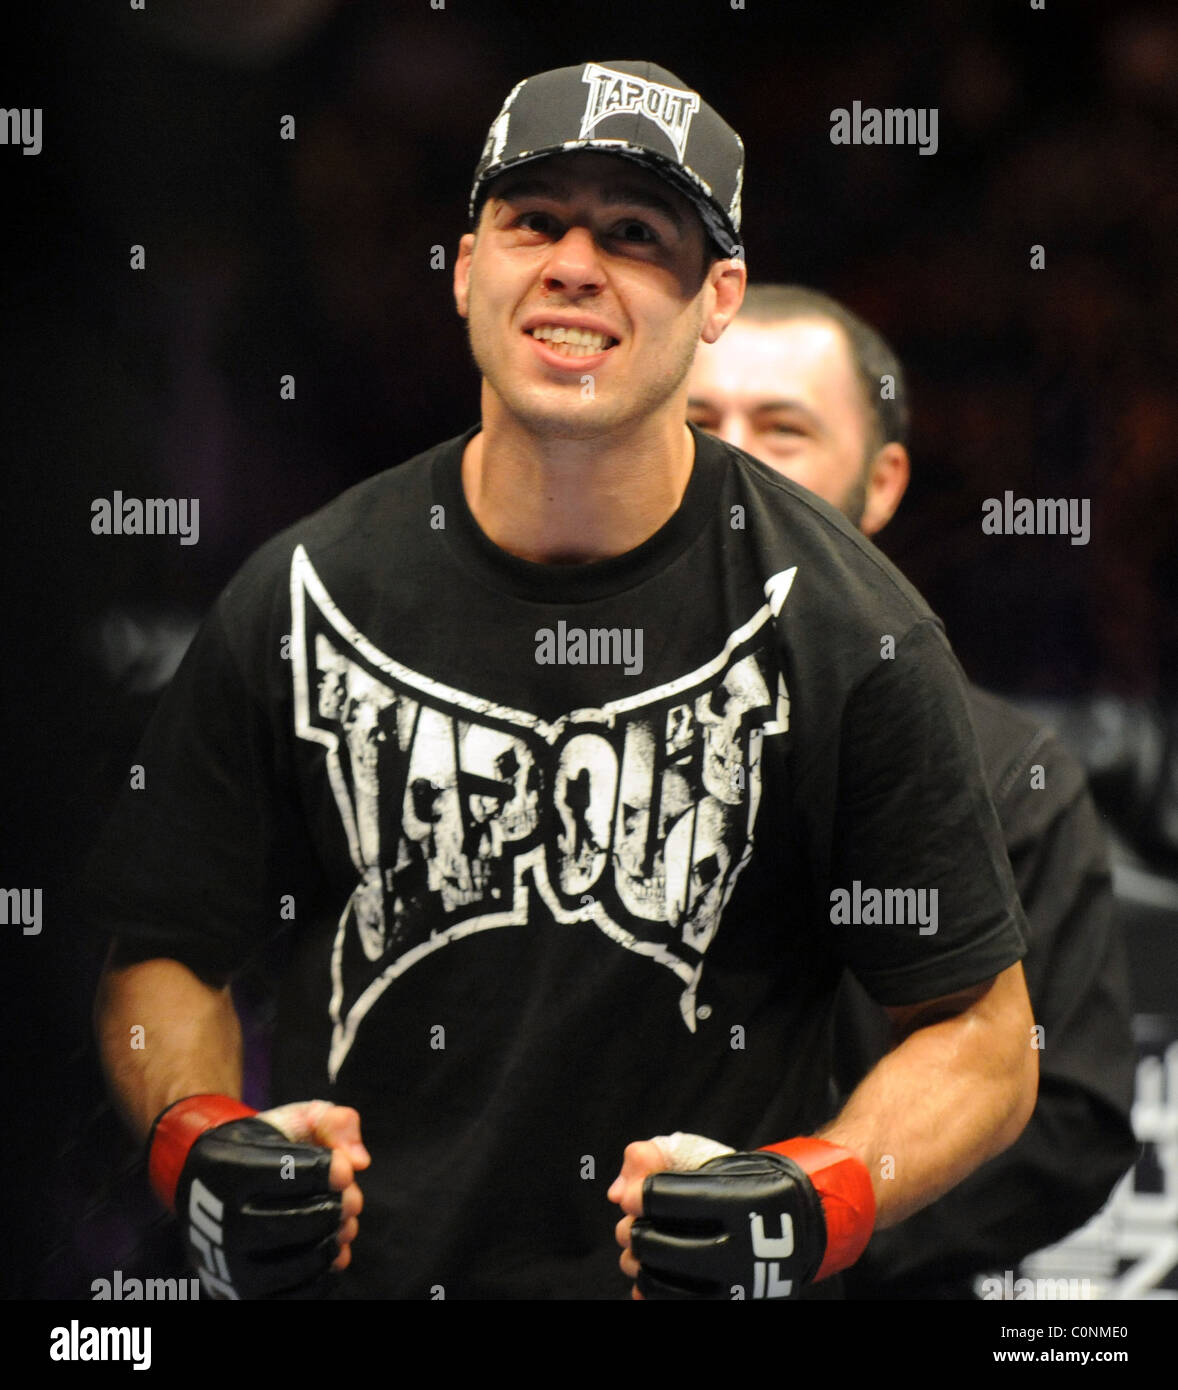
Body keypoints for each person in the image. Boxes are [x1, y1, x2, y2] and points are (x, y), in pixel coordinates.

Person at [89, 61, 1038, 1302]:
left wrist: (818, 1192)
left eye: (635, 233)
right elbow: (157, 953)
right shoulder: (304, 590)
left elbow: (984, 1034)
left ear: (719, 299)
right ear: (465, 268)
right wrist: (199, 1134)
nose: (573, 265)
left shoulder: (847, 626)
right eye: (532, 221)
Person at [685, 283, 1138, 1297]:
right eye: (698, 423)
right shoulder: (531, 712)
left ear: (880, 483)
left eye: (782, 428)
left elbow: (1068, 1113)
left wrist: (811, 1233)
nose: (732, 457)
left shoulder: (1001, 772)